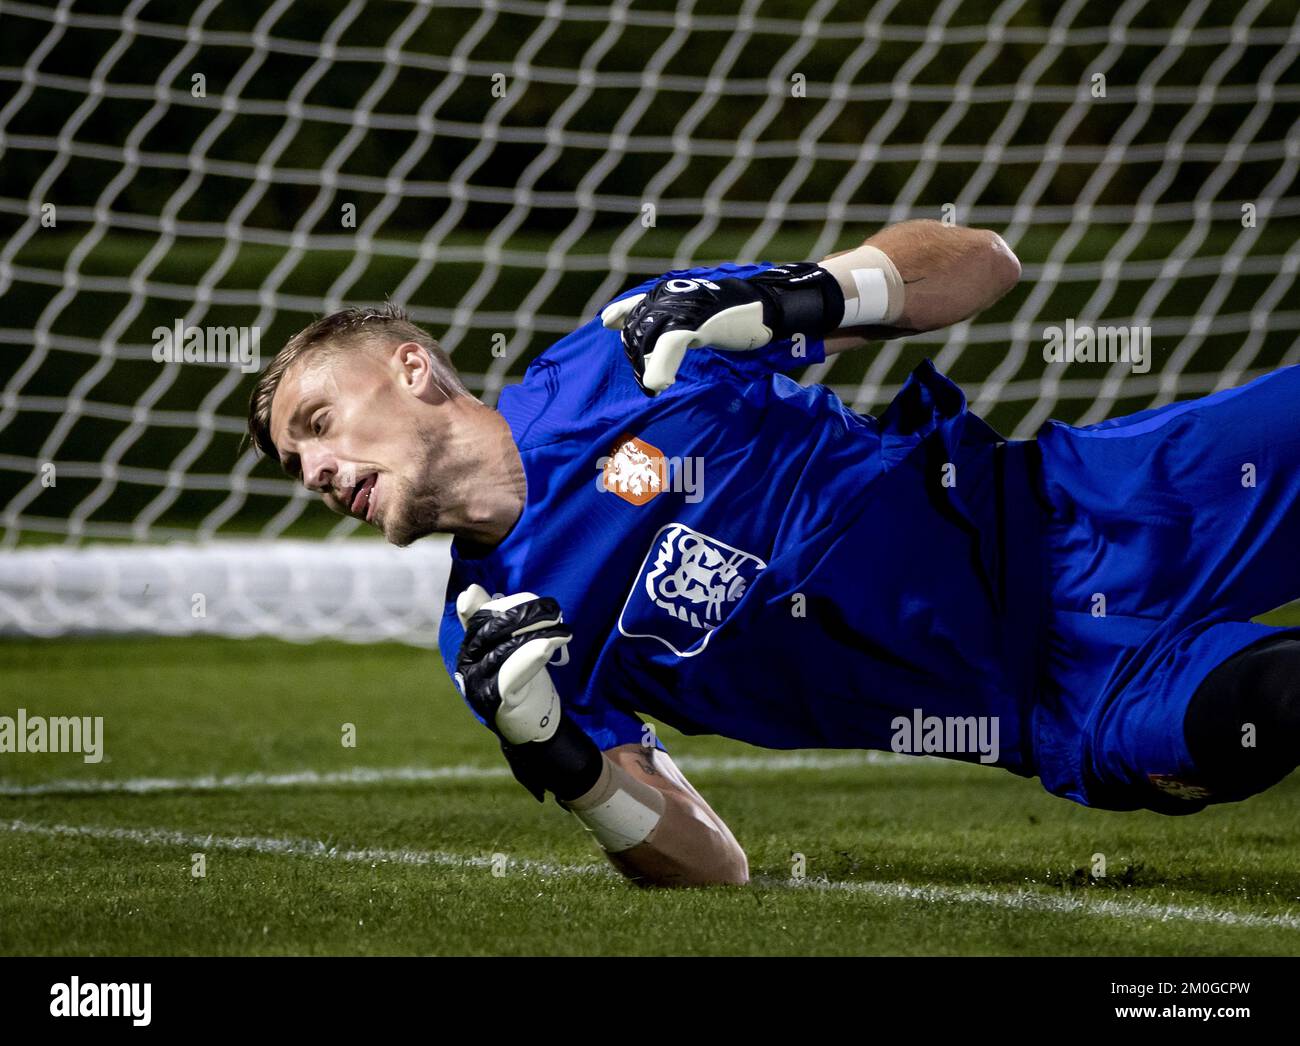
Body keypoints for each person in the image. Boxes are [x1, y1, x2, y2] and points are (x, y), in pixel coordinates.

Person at [246, 219, 1300, 888]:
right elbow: (716, 867)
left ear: (414, 367)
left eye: (320, 420)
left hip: (1099, 501)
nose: (316, 469)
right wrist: (562, 762)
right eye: (297, 462)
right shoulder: (497, 638)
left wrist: (803, 295)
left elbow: (984, 261)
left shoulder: (629, 359)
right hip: (1071, 701)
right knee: (1269, 703)